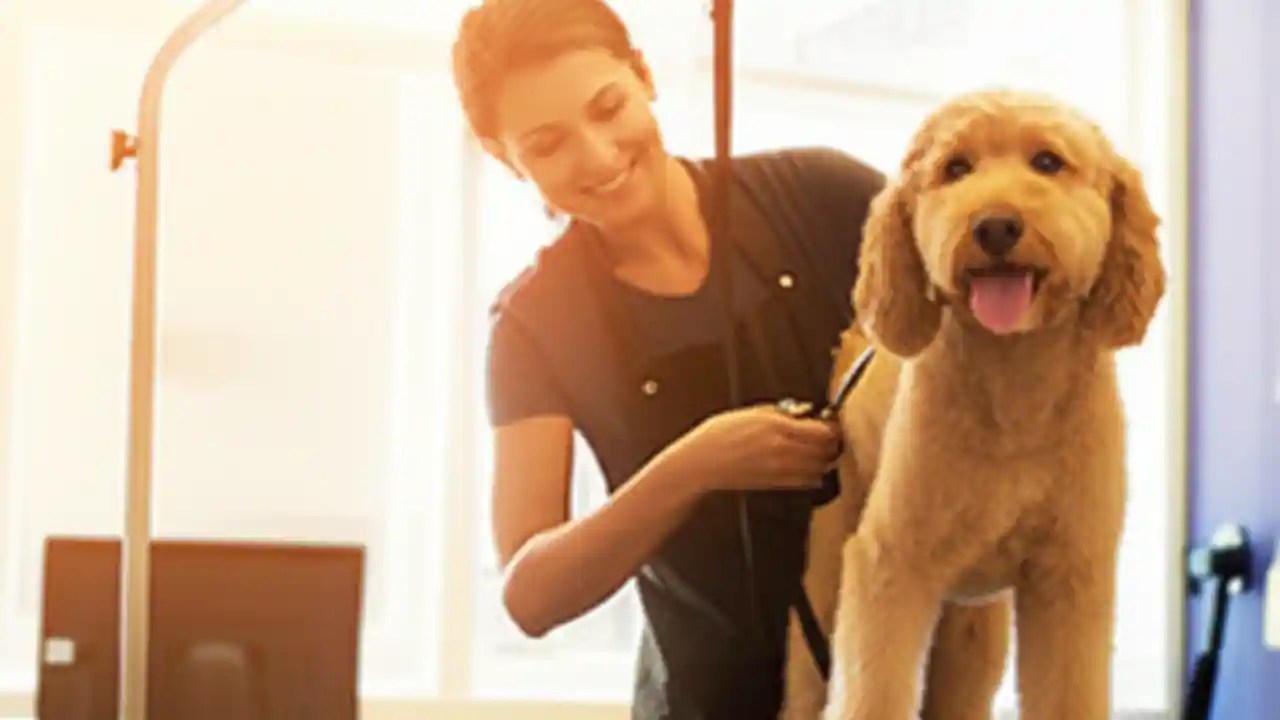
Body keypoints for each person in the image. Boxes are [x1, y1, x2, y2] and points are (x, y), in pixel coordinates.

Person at [450, 1, 885, 717]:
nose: (597, 156)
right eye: (548, 144)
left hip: (901, 679)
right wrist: (695, 467)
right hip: (709, 699)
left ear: (644, 76)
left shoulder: (825, 195)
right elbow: (531, 596)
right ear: (503, 157)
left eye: (608, 107)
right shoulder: (532, 325)